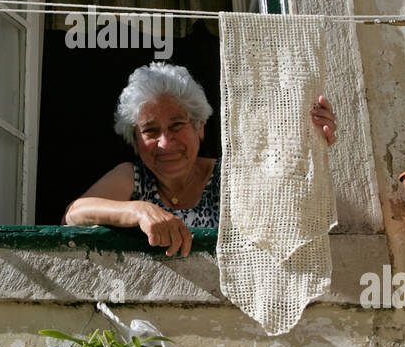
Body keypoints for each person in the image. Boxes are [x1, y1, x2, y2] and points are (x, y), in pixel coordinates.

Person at [62, 61, 338, 257]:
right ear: (135, 142)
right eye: (150, 130)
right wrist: (138, 211)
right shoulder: (133, 177)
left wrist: (311, 147)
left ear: (199, 127)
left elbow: (289, 208)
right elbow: (73, 215)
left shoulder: (231, 176)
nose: (165, 142)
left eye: (177, 125)